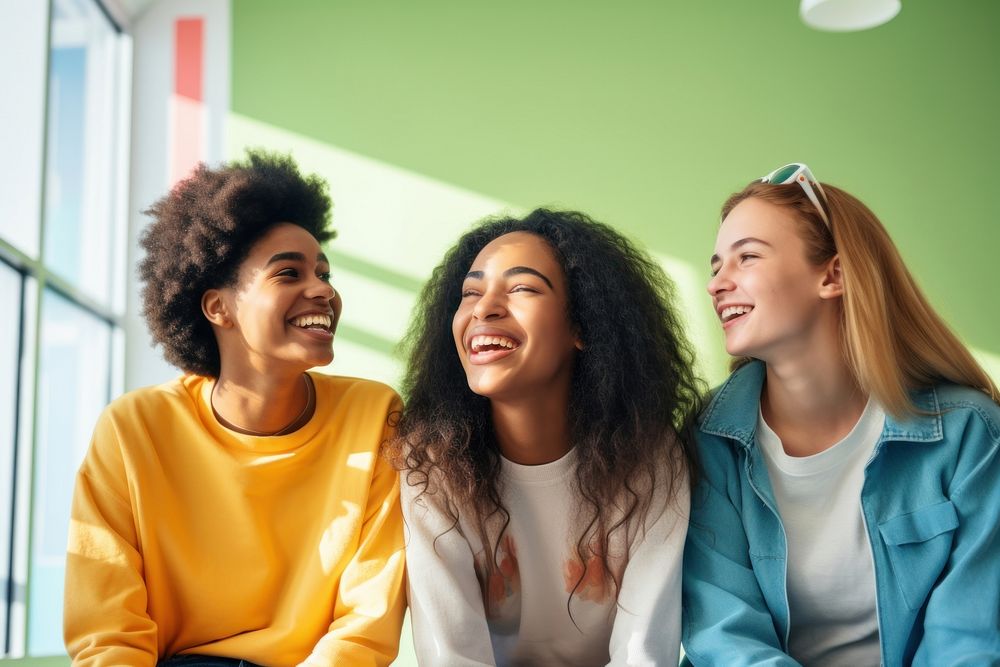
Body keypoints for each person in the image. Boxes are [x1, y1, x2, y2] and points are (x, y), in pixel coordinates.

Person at [64, 151, 406, 666]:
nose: (323, 290)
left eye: (323, 272)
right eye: (287, 273)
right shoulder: (135, 429)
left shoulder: (373, 415)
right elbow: (107, 634)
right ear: (217, 307)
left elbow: (364, 627)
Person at [682, 163, 1000, 665]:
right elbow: (723, 634)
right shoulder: (708, 439)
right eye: (716, 264)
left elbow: (969, 640)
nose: (717, 284)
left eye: (746, 258)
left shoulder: (969, 436)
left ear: (833, 275)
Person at [392, 208, 701, 666]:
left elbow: (645, 653)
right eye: (470, 292)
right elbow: (451, 656)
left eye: (521, 288)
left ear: (581, 326)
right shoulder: (432, 463)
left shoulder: (651, 456)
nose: (484, 308)